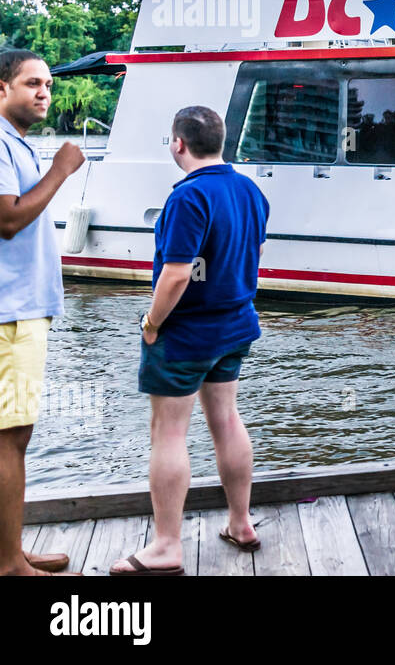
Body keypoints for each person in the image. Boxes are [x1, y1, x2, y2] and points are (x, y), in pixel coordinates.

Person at [110, 107, 270, 575]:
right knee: (225, 419)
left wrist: (151, 322)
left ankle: (165, 546)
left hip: (186, 333)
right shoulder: (249, 190)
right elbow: (255, 251)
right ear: (221, 140)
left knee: (169, 432)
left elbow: (177, 273)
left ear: (178, 144)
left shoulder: (188, 198)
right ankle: (241, 523)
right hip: (235, 326)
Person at [0, 50, 85, 577]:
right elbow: (7, 220)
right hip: (9, 312)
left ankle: (9, 546)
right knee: (9, 437)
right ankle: (10, 564)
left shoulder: (16, 144)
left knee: (16, 436)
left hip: (22, 309)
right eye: (32, 83)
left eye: (48, 84)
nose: (44, 92)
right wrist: (60, 170)